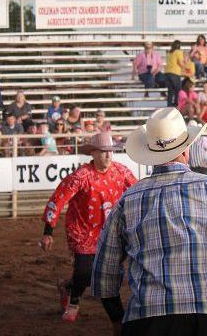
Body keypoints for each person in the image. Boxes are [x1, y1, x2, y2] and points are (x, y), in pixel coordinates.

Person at [38, 131, 136, 322]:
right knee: (85, 271)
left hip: (110, 233)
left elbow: (138, 190)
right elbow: (58, 199)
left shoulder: (121, 172)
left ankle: (69, 287)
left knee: (108, 273)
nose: (108, 155)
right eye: (103, 151)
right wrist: (48, 232)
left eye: (110, 151)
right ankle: (74, 300)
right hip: (82, 232)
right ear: (93, 153)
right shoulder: (81, 176)